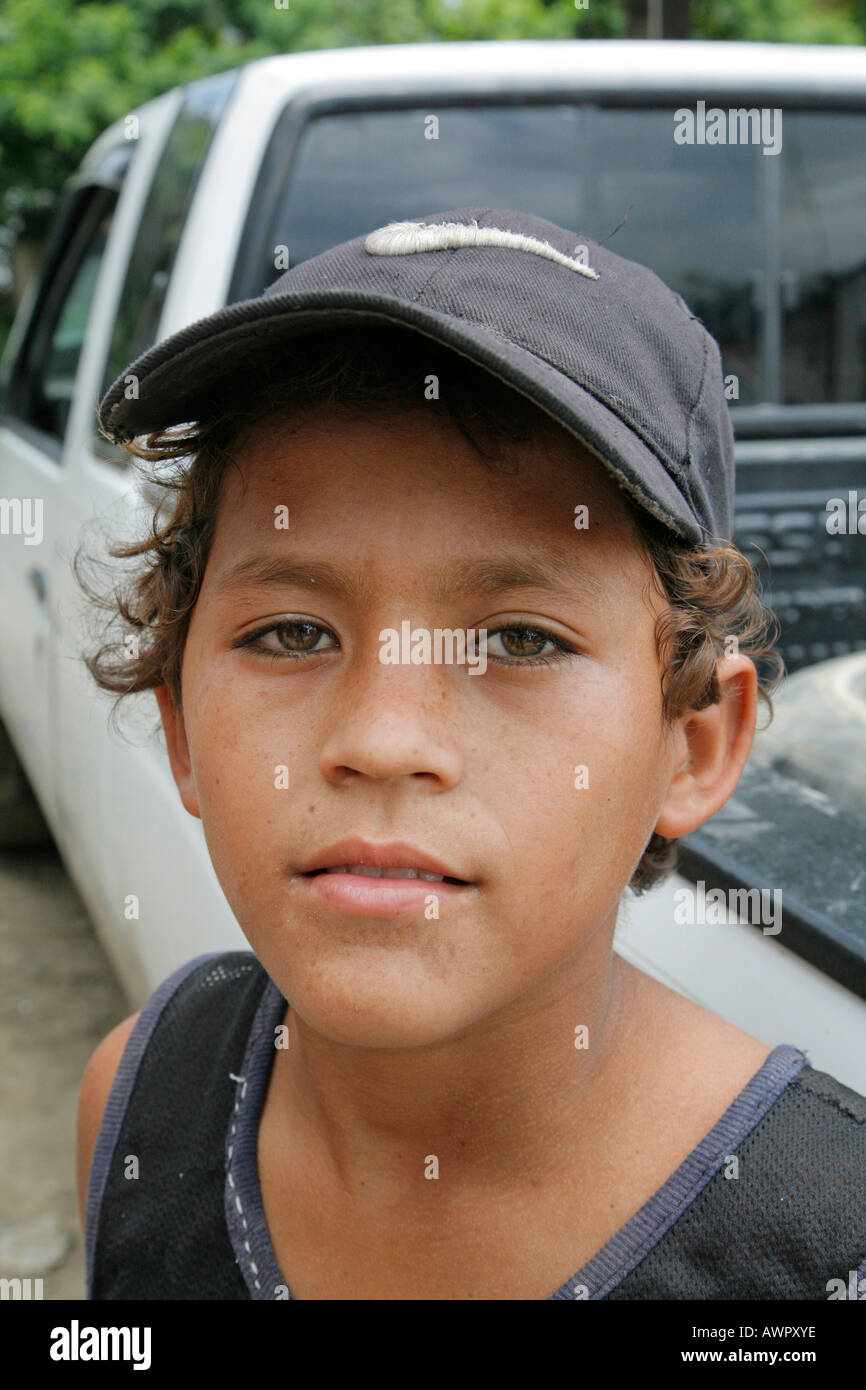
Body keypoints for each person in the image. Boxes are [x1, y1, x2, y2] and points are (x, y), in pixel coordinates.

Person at [76, 208, 866, 1300]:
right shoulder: (139, 1099)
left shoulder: (826, 1246)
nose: (380, 740)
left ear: (689, 747)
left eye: (519, 640)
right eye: (291, 633)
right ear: (180, 729)